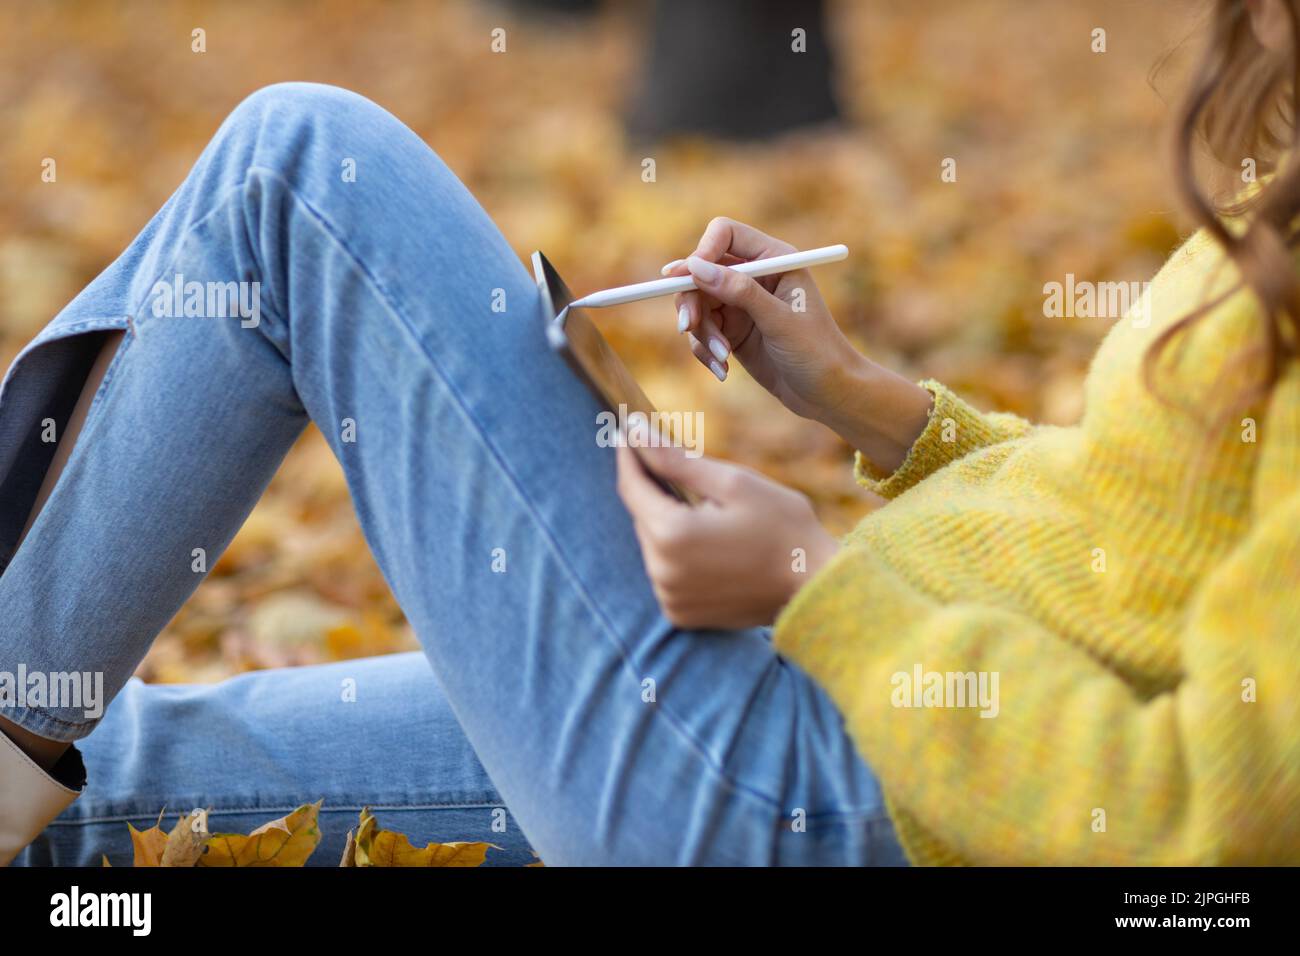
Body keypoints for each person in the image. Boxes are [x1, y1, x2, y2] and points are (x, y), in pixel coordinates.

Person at [2, 0, 1297, 867]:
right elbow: (1139, 524)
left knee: (301, 174)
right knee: (106, 787)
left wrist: (820, 587)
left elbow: (1194, 822)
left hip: (817, 800)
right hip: (814, 720)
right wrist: (871, 400)